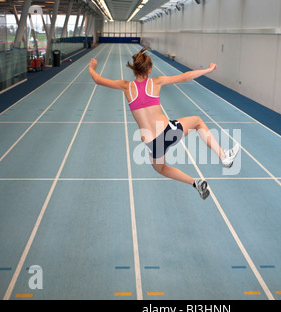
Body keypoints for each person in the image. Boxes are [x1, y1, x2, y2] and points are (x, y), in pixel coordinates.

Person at [88, 47, 240, 200]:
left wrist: (91, 68)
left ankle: (195, 183)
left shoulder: (126, 86)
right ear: (150, 69)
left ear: (134, 69)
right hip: (167, 132)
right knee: (198, 122)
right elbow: (185, 77)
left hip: (152, 143)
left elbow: (98, 80)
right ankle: (223, 156)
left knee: (161, 168)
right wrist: (207, 70)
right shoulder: (156, 82)